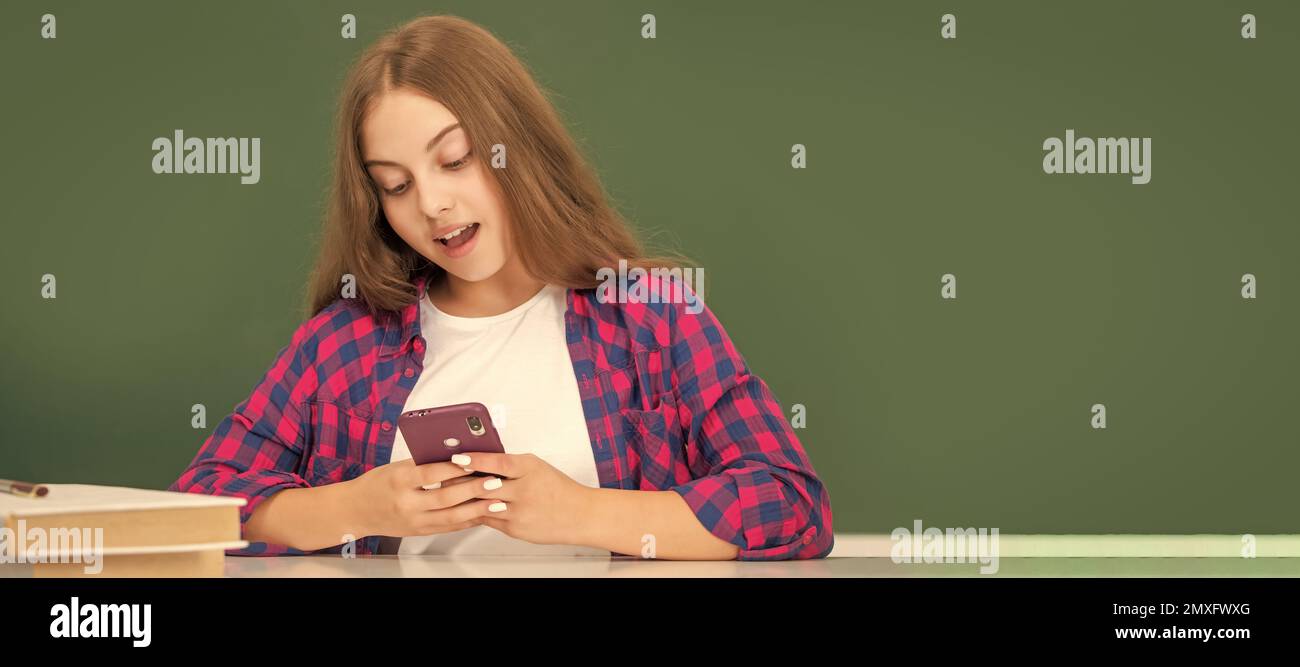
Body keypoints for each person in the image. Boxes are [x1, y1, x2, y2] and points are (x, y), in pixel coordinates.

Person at [169, 15, 832, 561]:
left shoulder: (652, 316)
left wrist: (581, 511)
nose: (431, 203)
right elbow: (198, 505)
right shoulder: (344, 342)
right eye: (395, 185)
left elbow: (794, 507)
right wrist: (355, 506)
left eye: (454, 159)